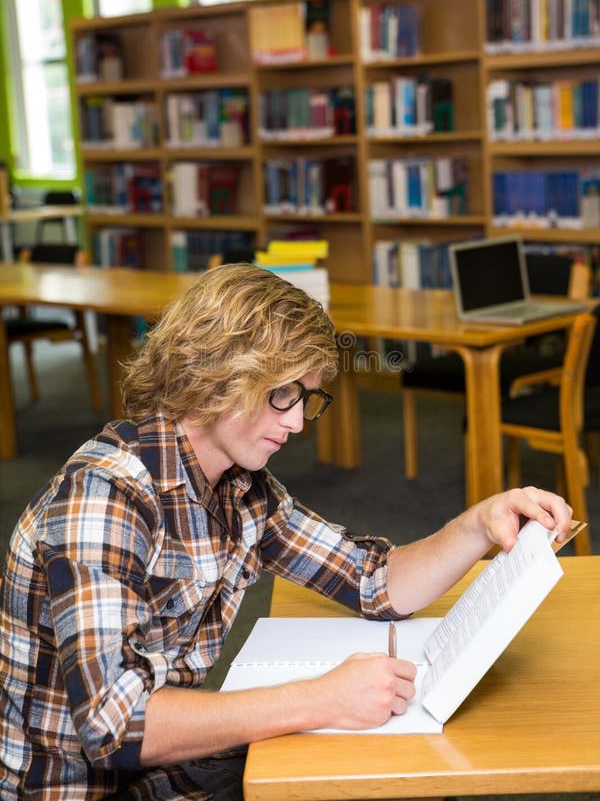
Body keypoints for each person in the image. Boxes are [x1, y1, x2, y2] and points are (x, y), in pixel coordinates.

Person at [0, 263, 572, 801]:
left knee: (399, 776)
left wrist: (477, 523)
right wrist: (321, 699)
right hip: (87, 788)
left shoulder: (240, 486)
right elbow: (116, 727)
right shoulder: (106, 497)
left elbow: (372, 581)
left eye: (306, 398)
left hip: (162, 768)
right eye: (282, 393)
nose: (297, 421)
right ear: (217, 373)